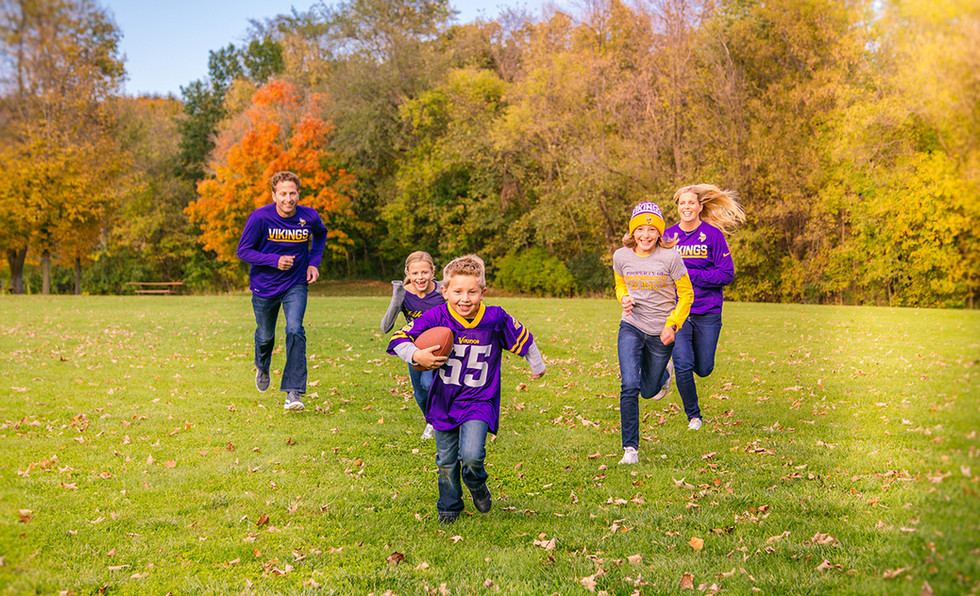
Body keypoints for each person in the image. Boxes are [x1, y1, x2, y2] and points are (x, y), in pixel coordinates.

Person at [387, 255, 546, 524]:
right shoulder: (436, 315)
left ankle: (476, 482)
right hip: (444, 400)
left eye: (472, 291)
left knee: (472, 456)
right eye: (458, 291)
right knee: (446, 461)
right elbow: (398, 337)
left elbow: (525, 338)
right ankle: (449, 506)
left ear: (483, 292)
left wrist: (537, 365)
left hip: (478, 400)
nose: (465, 298)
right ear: (444, 291)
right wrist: (416, 356)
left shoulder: (495, 317)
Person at [237, 171, 327, 412]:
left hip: (295, 283)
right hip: (264, 286)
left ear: (299, 194)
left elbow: (321, 234)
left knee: (295, 329)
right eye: (283, 193)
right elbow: (243, 251)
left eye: (293, 193)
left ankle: (294, 391)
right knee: (265, 336)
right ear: (274, 195)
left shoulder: (309, 216)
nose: (288, 198)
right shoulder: (259, 218)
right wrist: (273, 260)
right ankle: (262, 365)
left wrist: (313, 263)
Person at [614, 202, 693, 465]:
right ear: (632, 232)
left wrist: (672, 325)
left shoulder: (670, 258)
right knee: (629, 384)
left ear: (660, 233)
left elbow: (686, 294)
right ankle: (630, 449)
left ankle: (664, 373)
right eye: (640, 229)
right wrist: (624, 297)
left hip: (661, 332)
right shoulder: (621, 256)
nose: (645, 235)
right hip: (632, 326)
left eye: (651, 229)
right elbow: (620, 283)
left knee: (648, 391)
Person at [664, 184, 745, 431]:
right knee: (684, 364)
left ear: (700, 207)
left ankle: (676, 364)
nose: (686, 207)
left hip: (708, 311)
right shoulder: (667, 236)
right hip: (679, 311)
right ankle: (694, 417)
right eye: (682, 203)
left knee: (704, 368)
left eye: (691, 203)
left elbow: (726, 273)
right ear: (677, 208)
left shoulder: (712, 235)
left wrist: (691, 275)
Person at [380, 251, 446, 439]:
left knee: (428, 383)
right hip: (415, 348)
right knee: (420, 393)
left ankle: (439, 422)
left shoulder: (443, 290)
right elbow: (385, 327)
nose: (420, 277)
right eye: (415, 273)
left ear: (433, 272)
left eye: (424, 272)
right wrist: (397, 298)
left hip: (440, 347)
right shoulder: (404, 294)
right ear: (407, 273)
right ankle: (430, 422)